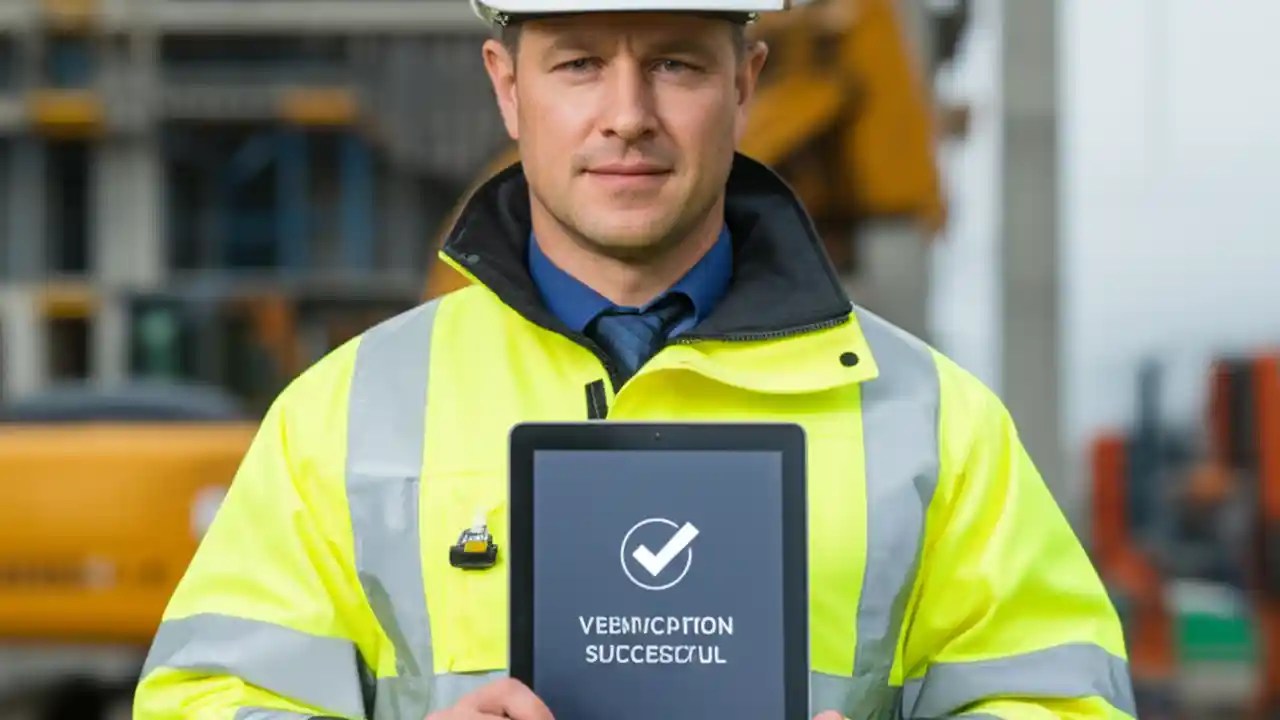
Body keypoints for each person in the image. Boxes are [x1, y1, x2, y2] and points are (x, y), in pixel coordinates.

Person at [133, 0, 1136, 718]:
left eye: (674, 63)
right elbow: (211, 702)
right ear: (506, 86)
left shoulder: (931, 423)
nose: (626, 114)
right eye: (576, 63)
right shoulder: (345, 415)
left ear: (743, 84)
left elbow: (1057, 701)